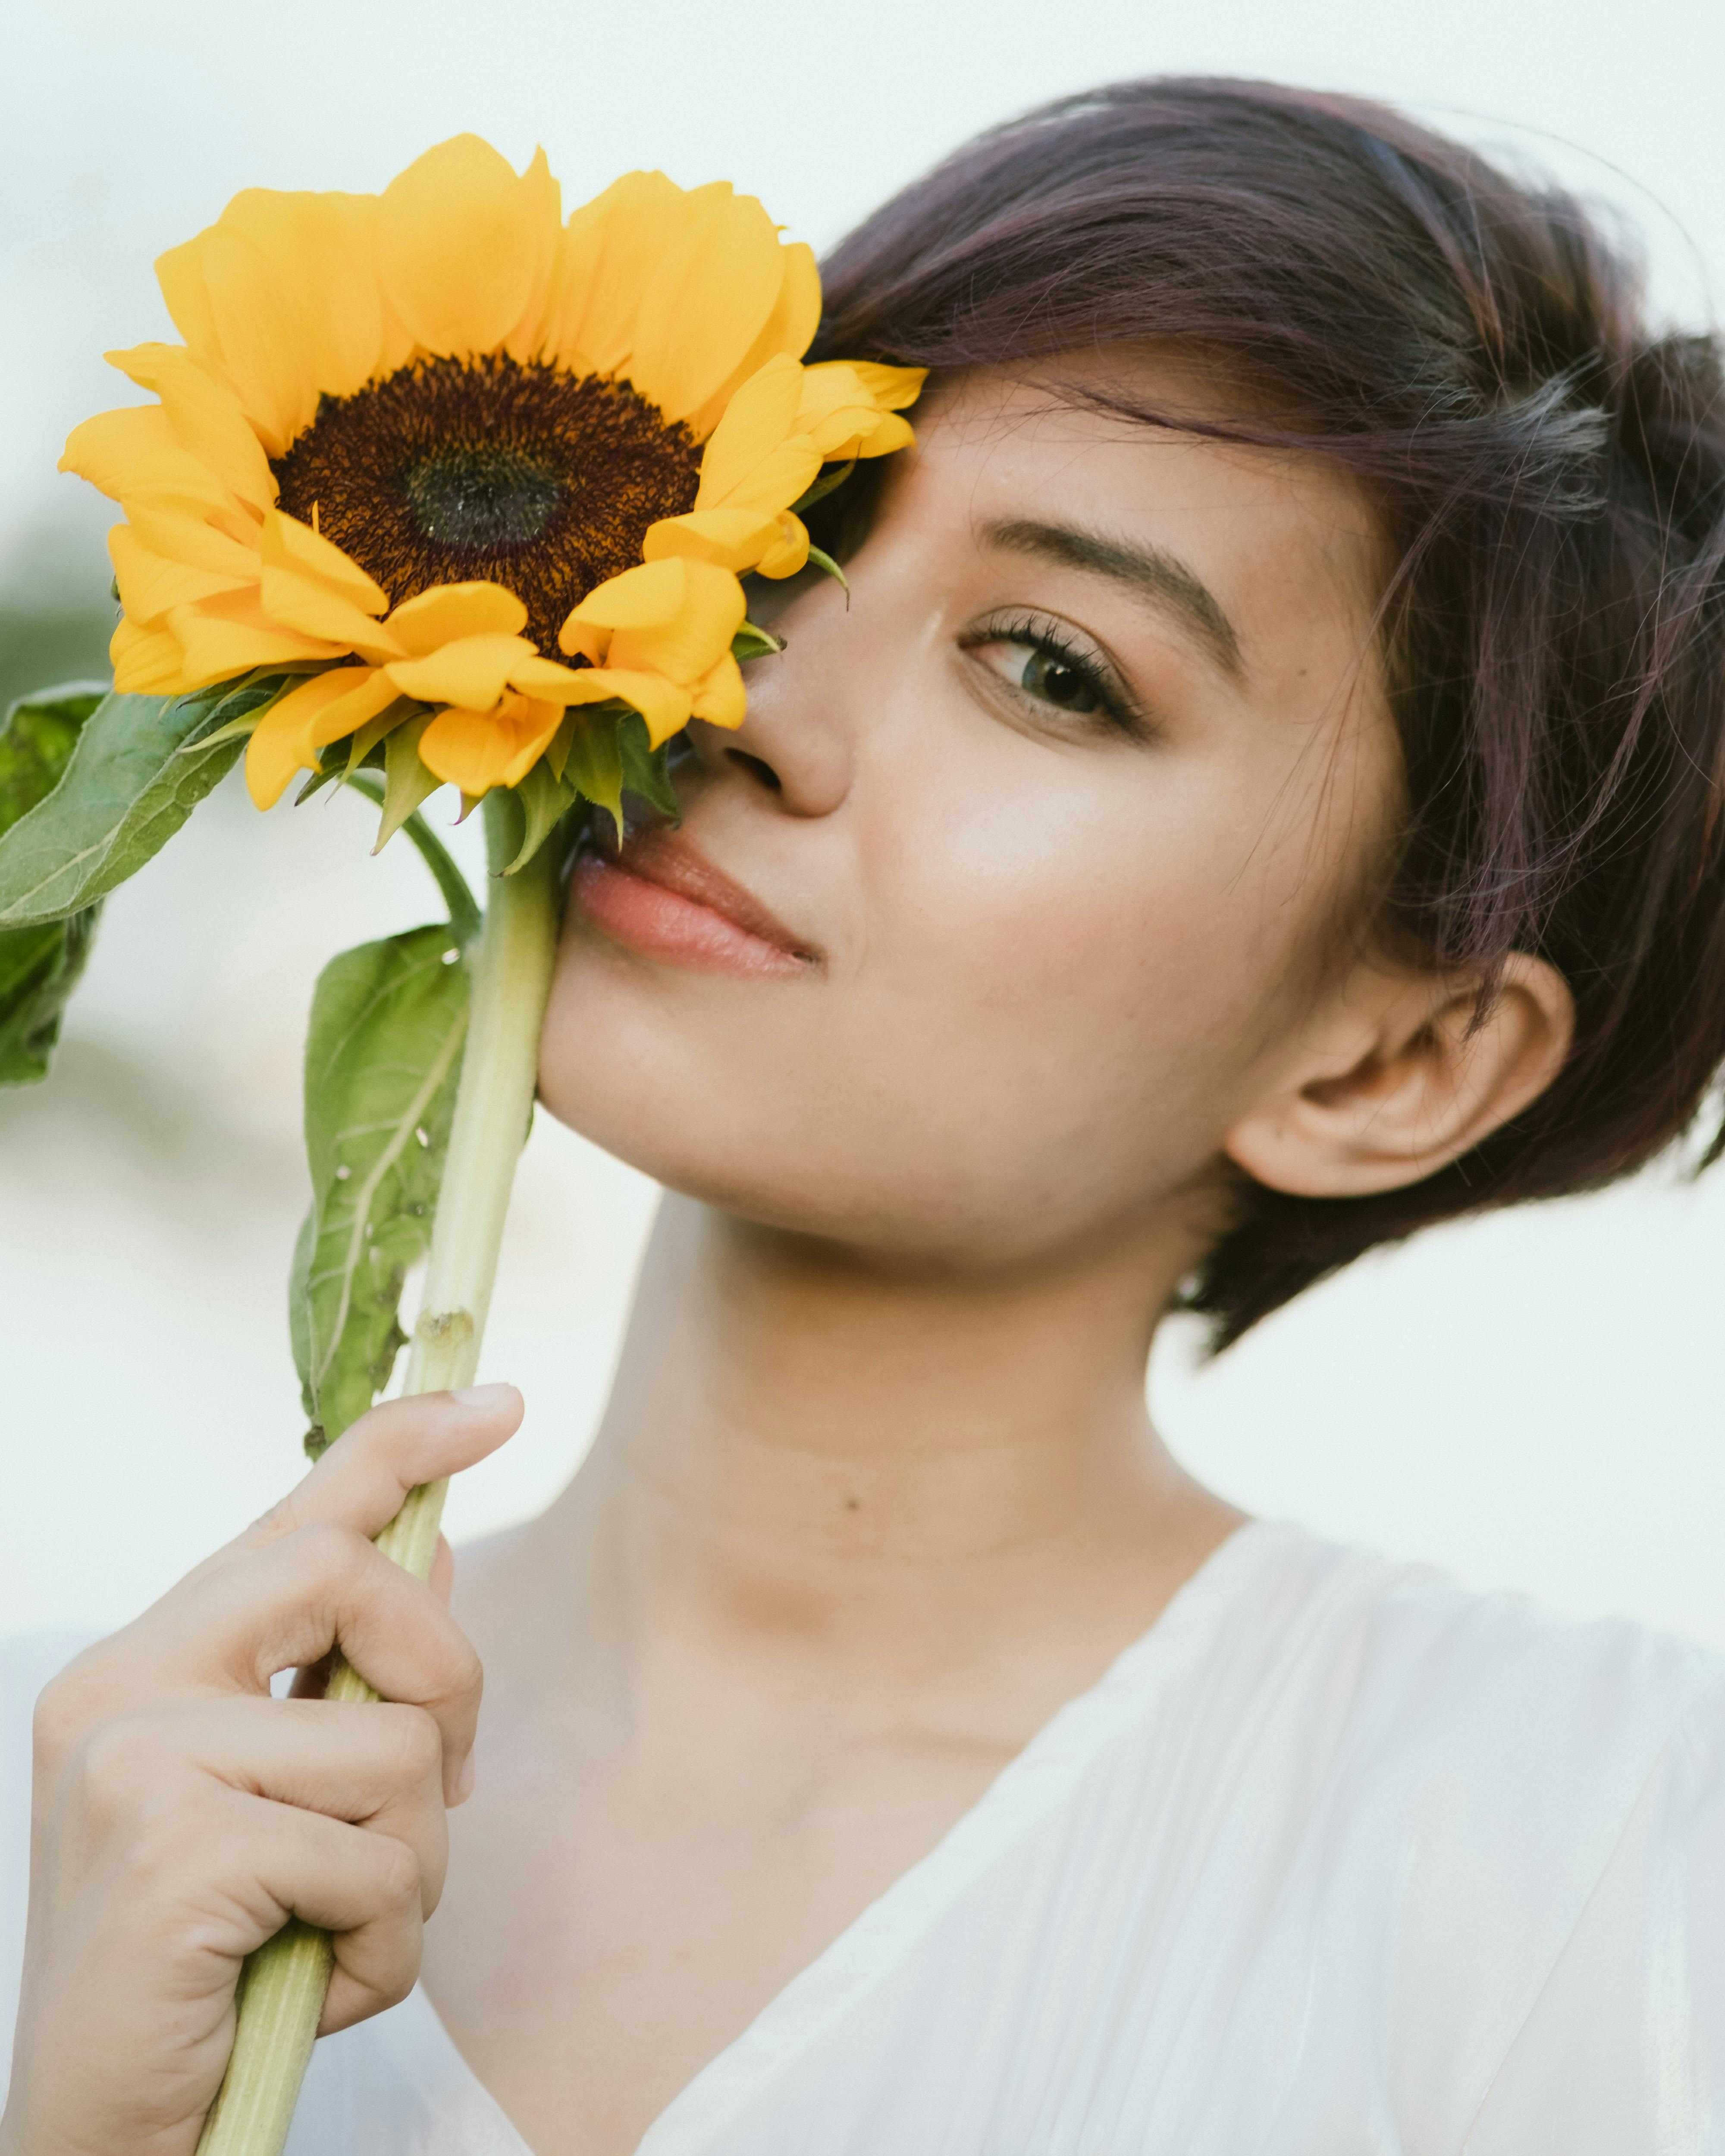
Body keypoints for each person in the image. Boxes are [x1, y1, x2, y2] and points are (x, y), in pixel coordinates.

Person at [4, 75, 1724, 2156]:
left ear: (1390, 1064)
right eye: (791, 526)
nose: (729, 685)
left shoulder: (1608, 1887)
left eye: (1050, 667)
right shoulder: (90, 1795)